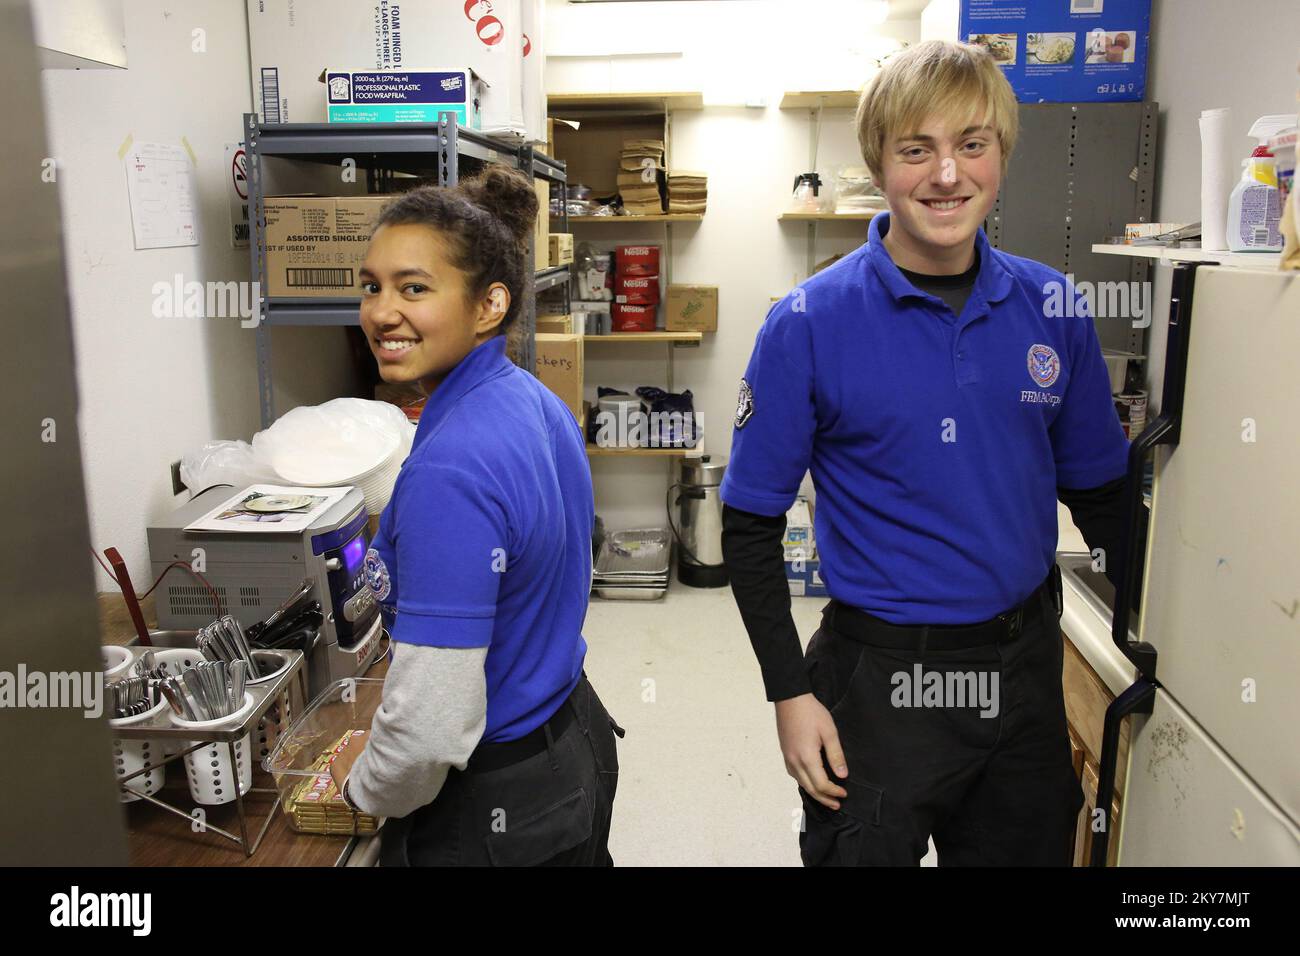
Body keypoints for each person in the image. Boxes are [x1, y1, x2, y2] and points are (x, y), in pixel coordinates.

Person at [720, 40, 1146, 866]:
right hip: (880, 683)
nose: (947, 174)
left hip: (1023, 672)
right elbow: (747, 525)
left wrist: (1180, 640)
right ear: (881, 163)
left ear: (1001, 157)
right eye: (917, 149)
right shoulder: (809, 323)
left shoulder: (1052, 306)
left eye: (972, 145)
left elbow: (1101, 495)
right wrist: (790, 693)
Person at [327, 165, 623, 866]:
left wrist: (364, 787)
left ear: (489, 305)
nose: (380, 311)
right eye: (372, 286)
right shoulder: (525, 396)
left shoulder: (451, 467)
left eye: (415, 288)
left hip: (496, 803)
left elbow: (430, 730)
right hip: (572, 739)